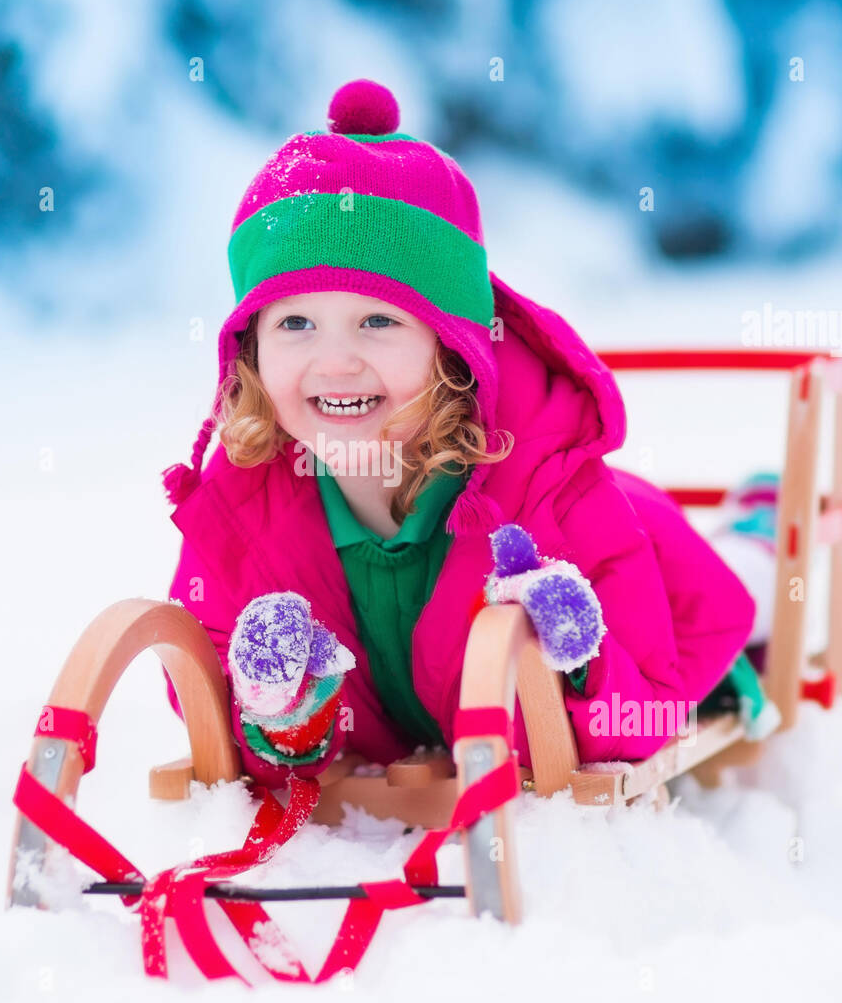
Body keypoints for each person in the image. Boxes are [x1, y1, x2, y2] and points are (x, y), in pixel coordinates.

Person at [162, 79, 776, 789]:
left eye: (378, 321)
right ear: (251, 352)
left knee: (746, 589)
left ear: (451, 347)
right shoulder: (245, 512)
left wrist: (580, 661)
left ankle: (760, 531)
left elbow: (638, 720)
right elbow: (212, 687)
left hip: (657, 567)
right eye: (295, 324)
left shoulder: (561, 506)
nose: (334, 361)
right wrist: (282, 712)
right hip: (430, 702)